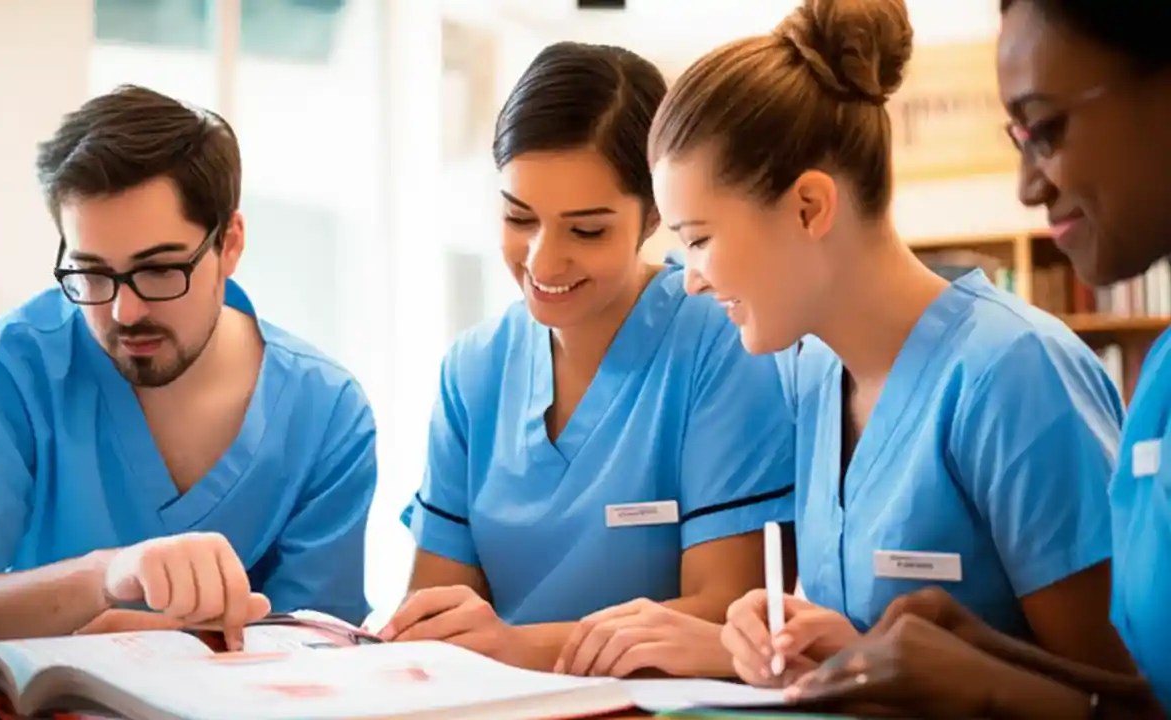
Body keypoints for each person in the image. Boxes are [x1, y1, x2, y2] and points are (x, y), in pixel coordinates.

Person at [637, 0, 1135, 687]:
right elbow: (886, 644)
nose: (690, 279)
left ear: (810, 206)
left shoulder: (1013, 375)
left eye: (698, 239)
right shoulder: (813, 375)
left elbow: (1126, 696)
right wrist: (822, 642)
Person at [0, 85, 377, 660]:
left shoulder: (327, 412)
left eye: (159, 269)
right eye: (92, 273)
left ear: (230, 244)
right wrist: (105, 576)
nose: (125, 312)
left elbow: (321, 644)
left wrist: (171, 644)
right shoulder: (9, 372)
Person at [784, 0, 1171, 717]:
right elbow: (1142, 698)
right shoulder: (1160, 387)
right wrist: (988, 656)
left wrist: (994, 687)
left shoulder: (1014, 365)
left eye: (1047, 128)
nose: (1026, 185)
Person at [379, 41, 798, 676]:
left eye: (587, 230)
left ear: (656, 213)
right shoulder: (474, 371)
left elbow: (727, 615)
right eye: (520, 218)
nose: (543, 263)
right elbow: (435, 613)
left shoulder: (722, 345)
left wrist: (521, 647)